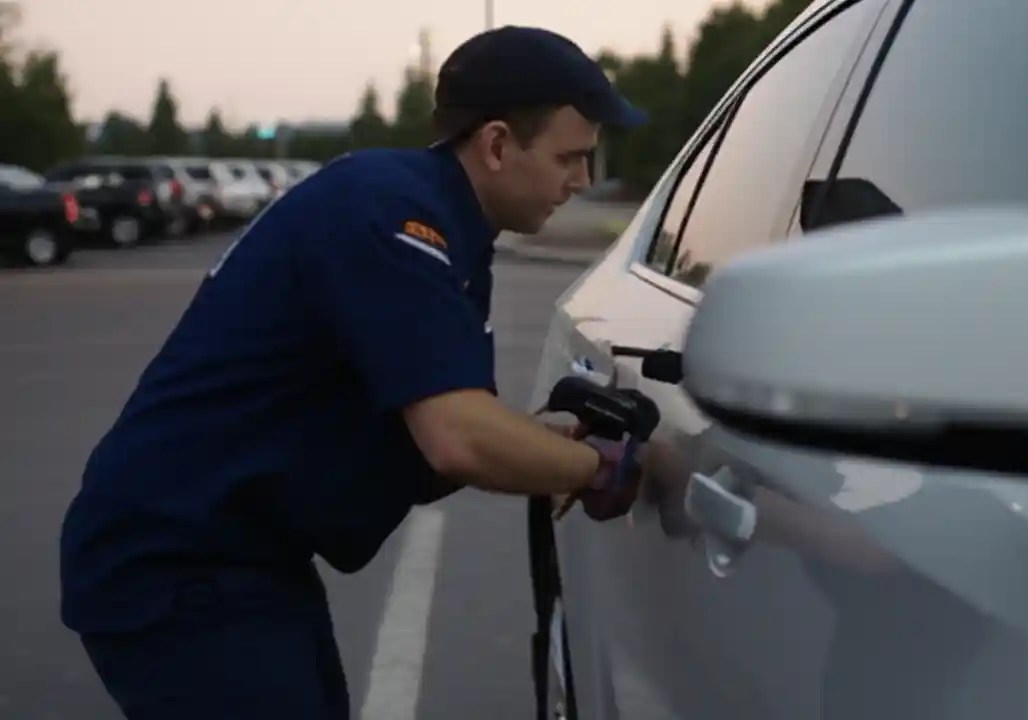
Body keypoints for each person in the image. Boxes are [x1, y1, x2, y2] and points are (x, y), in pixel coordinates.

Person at [58, 25, 647, 719]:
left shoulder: (443, 226)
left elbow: (430, 439)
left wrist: (536, 444)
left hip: (243, 556)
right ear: (495, 145)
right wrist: (599, 471)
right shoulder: (393, 215)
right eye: (569, 158)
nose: (580, 181)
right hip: (179, 560)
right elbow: (455, 436)